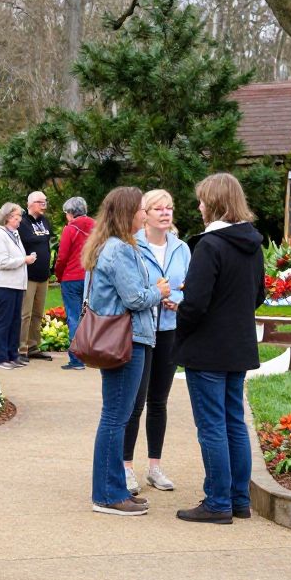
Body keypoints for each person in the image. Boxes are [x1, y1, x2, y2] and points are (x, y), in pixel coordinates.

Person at [174, 173, 266, 524]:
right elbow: (258, 294)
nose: (198, 206)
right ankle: (239, 500)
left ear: (213, 203)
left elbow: (195, 303)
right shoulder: (252, 243)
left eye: (201, 200)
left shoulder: (209, 245)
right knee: (234, 423)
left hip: (208, 349)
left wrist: (182, 327)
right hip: (237, 345)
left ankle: (217, 502)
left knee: (212, 426)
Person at [83, 187, 169, 516]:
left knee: (117, 417)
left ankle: (115, 488)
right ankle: (107, 495)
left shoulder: (119, 245)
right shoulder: (119, 249)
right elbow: (134, 298)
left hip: (131, 339)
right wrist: (159, 291)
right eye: (141, 210)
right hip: (126, 341)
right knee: (115, 419)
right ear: (127, 214)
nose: (145, 214)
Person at [122, 189, 191, 495]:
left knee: (159, 401)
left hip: (170, 330)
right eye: (158, 208)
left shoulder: (182, 249)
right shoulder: (131, 246)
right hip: (139, 331)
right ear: (145, 214)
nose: (165, 213)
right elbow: (130, 287)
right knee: (135, 403)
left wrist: (178, 299)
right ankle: (125, 468)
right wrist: (155, 295)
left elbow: (190, 285)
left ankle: (154, 467)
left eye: (169, 208)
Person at [0, 203, 36, 370]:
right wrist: (24, 260)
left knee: (15, 321)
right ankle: (0, 358)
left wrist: (24, 259)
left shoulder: (14, 234)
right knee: (5, 321)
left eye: (20, 217)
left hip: (16, 285)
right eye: (17, 217)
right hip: (4, 284)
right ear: (8, 217)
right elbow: (2, 262)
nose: (20, 220)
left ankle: (12, 355)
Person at [53, 196, 95, 371]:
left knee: (73, 316)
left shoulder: (70, 229)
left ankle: (76, 360)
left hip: (71, 276)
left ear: (70, 213)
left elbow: (62, 256)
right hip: (91, 276)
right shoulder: (96, 225)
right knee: (91, 316)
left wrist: (58, 274)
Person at [18, 191, 53, 363]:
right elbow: (25, 243)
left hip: (43, 274)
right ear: (31, 203)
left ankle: (33, 346)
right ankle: (21, 348)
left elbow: (46, 240)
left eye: (45, 202)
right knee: (25, 313)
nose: (44, 205)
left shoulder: (44, 221)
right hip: (29, 275)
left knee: (38, 313)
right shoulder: (23, 223)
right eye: (41, 202)